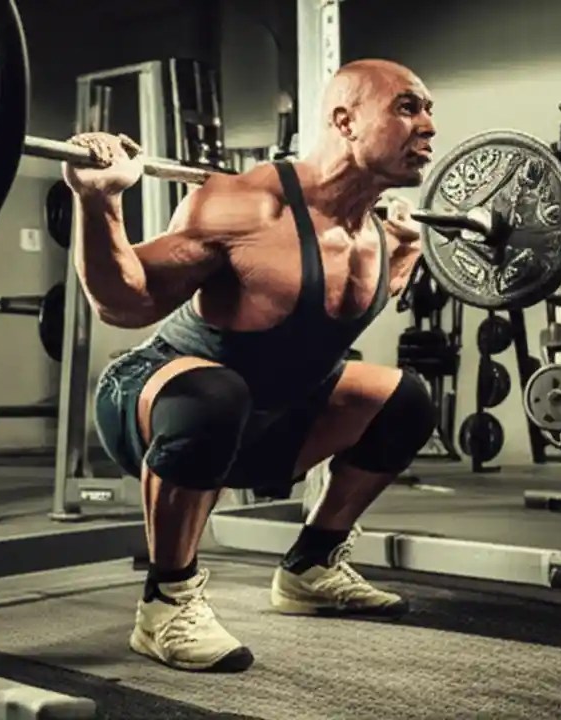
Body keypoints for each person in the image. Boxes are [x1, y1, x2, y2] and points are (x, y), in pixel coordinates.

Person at [64, 59, 438, 673]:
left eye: (428, 111)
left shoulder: (381, 231)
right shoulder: (245, 206)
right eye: (407, 107)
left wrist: (405, 255)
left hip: (268, 415)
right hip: (162, 399)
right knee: (216, 395)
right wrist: (99, 200)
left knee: (407, 401)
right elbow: (126, 303)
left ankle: (311, 566)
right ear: (345, 121)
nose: (427, 126)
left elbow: (335, 311)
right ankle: (167, 601)